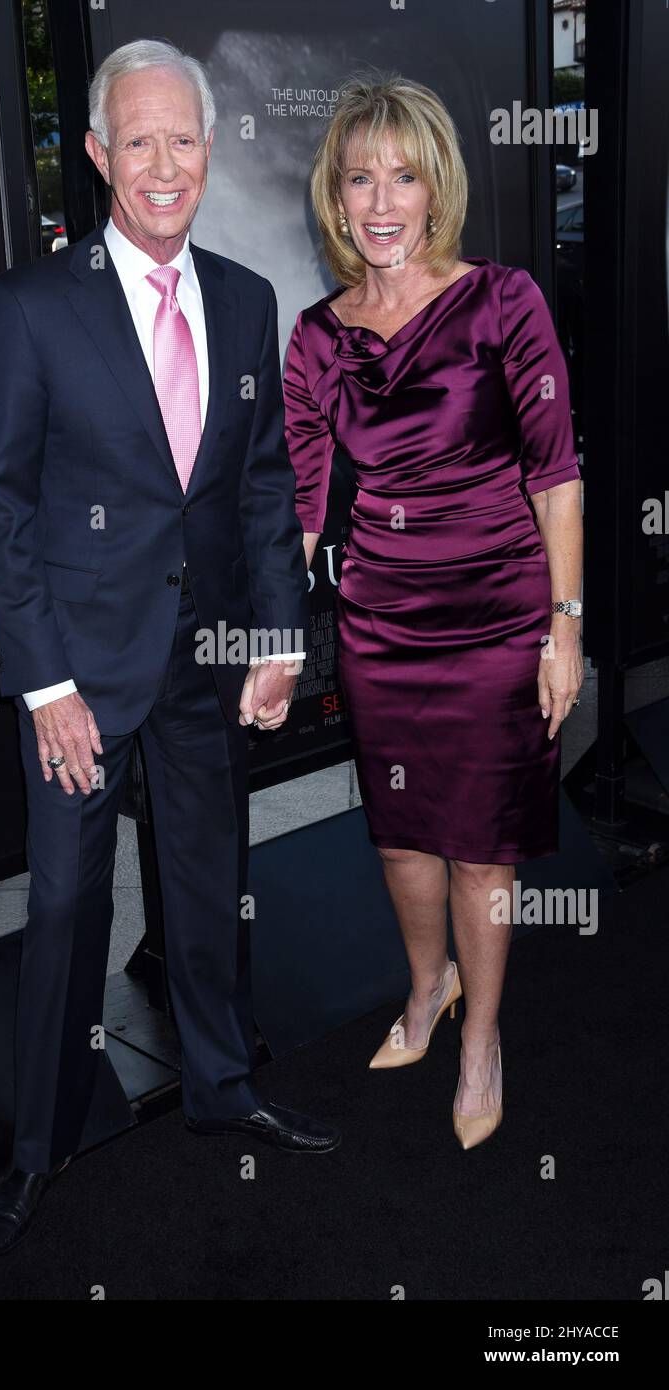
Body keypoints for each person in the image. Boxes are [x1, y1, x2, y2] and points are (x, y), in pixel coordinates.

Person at [0, 38, 340, 1255]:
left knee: (204, 880)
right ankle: (41, 1146)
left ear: (211, 146)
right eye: (139, 141)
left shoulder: (245, 298)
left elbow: (261, 485)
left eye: (184, 137)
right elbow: (7, 512)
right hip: (79, 673)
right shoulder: (30, 308)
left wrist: (279, 637)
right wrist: (44, 687)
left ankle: (225, 1085)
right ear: (97, 157)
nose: (165, 164)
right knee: (68, 905)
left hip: (206, 663)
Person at [283, 75, 583, 1150]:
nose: (380, 198)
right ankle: (427, 987)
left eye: (403, 174)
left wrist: (567, 623)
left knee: (483, 849)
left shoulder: (504, 301)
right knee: (404, 834)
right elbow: (304, 508)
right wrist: (266, 629)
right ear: (335, 192)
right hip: (380, 626)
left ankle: (483, 1037)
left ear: (436, 185)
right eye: (360, 175)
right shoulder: (318, 337)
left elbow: (556, 475)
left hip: (501, 617)